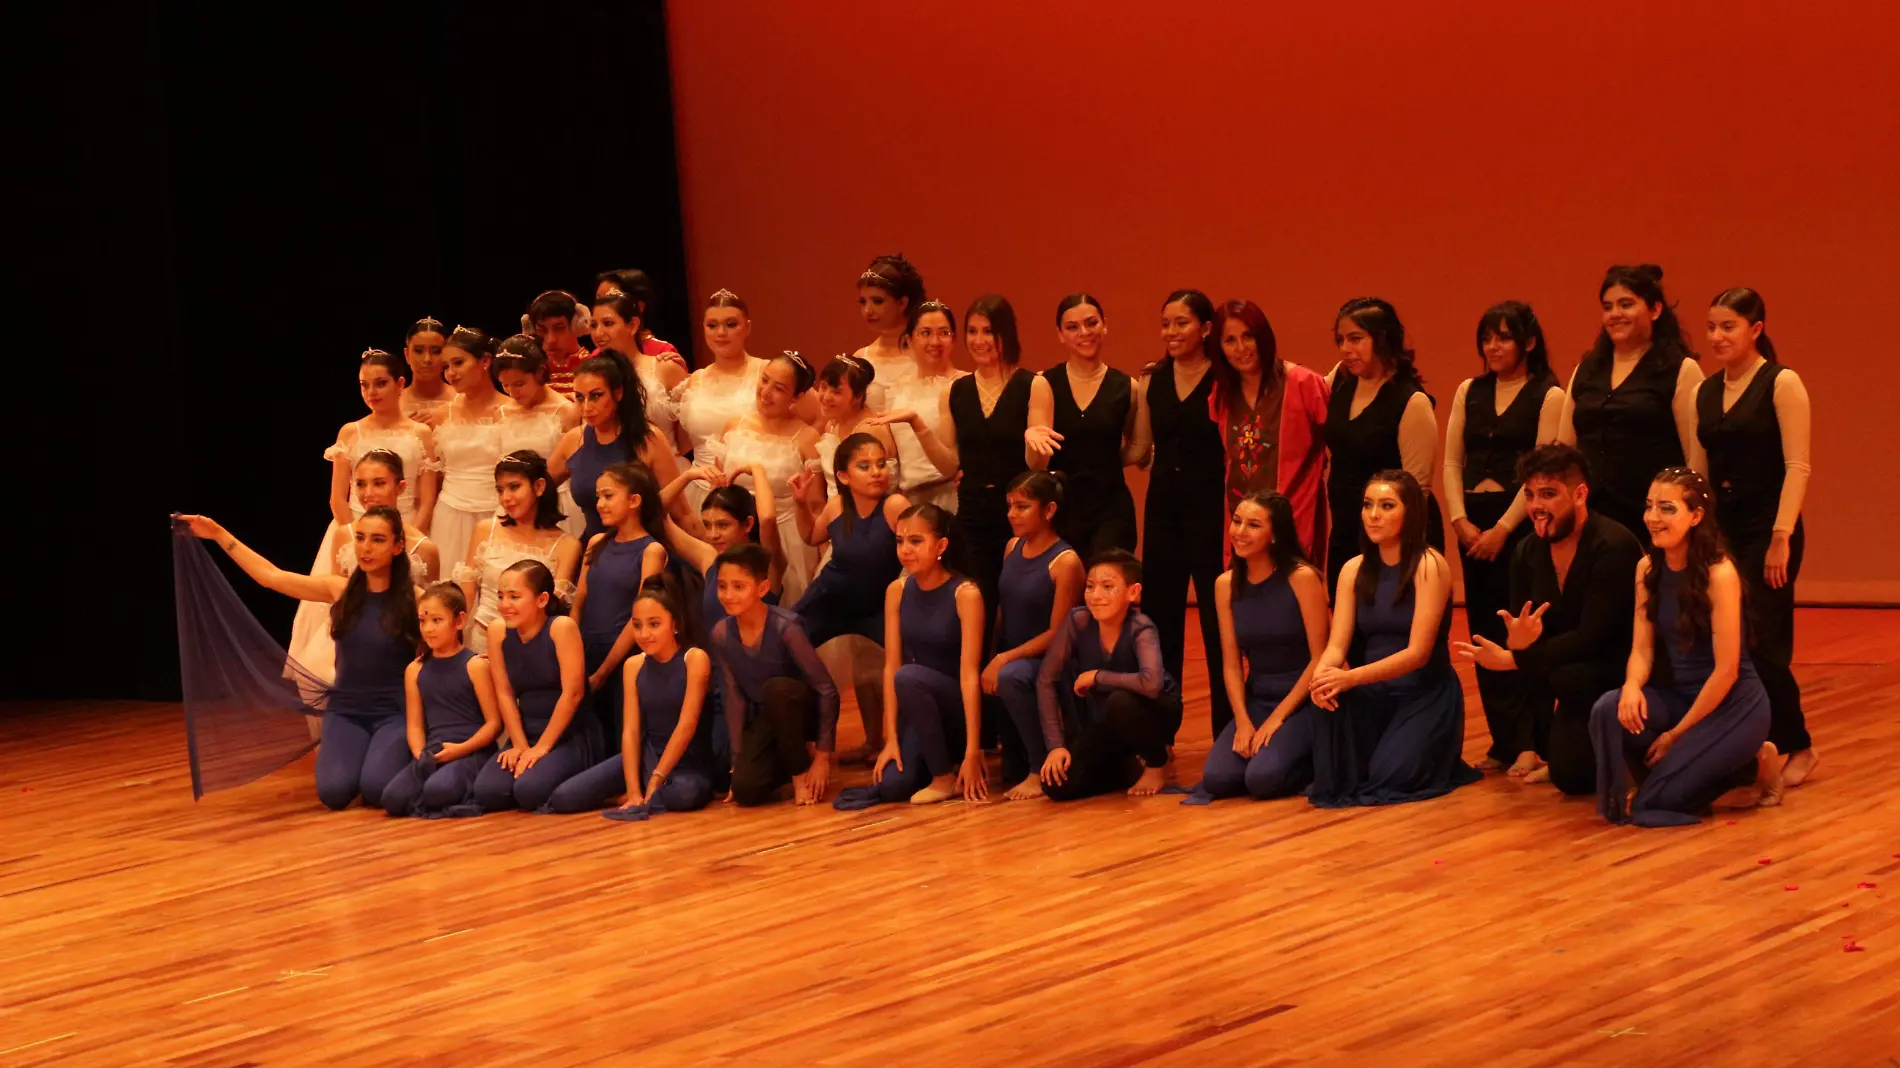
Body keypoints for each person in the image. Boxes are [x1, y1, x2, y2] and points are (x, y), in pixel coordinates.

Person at [178, 508, 419, 810]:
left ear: (397, 547)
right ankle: (367, 759)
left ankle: (387, 762)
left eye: (378, 540)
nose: (366, 548)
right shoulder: (338, 589)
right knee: (333, 793)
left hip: (394, 714)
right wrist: (217, 534)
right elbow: (271, 577)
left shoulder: (417, 599)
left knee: (377, 788)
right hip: (346, 711)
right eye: (360, 538)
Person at [1452, 445, 1643, 793]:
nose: (1536, 506)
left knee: (1563, 678)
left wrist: (1513, 658)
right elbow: (1525, 631)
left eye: (1549, 494)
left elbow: (1595, 637)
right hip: (1569, 676)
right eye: (1530, 495)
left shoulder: (1615, 545)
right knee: (1571, 778)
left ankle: (1634, 754)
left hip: (1622, 676)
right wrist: (1518, 642)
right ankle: (1545, 749)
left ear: (1580, 494)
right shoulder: (1527, 551)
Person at [1589, 468, 1774, 826]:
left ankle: (1751, 766)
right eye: (1649, 507)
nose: (1653, 518)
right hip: (1683, 699)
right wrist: (1630, 687)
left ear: (1696, 516)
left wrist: (1677, 735)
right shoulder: (1646, 569)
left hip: (1733, 707)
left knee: (1650, 807)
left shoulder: (1720, 574)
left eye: (1667, 508)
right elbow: (1642, 648)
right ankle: (1692, 776)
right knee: (1607, 709)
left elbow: (1727, 671)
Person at [1698, 287, 1815, 790]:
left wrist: (1781, 536)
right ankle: (1747, 746)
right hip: (1723, 526)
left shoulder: (1781, 383)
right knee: (1723, 639)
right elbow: (1698, 470)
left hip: (1769, 528)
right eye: (1712, 327)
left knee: (1762, 640)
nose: (1718, 337)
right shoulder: (1706, 390)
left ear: (1756, 330)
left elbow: (1798, 465)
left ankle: (1800, 745)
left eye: (1729, 327)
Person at [1307, 471, 1479, 807]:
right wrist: (1322, 677)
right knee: (1327, 710)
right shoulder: (1352, 570)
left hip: (1421, 692)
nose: (1373, 514)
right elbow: (1337, 645)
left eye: (1387, 506)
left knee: (1393, 777)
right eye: (1368, 505)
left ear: (1410, 512)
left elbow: (1417, 653)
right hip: (1371, 691)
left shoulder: (1430, 564)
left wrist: (1350, 677)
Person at [1443, 301, 1564, 767]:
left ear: (1528, 343)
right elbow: (1453, 461)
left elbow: (1541, 469)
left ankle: (1532, 742)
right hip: (1472, 523)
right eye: (1487, 338)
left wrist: (1503, 528)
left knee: (1522, 631)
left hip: (1521, 524)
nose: (1493, 347)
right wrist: (1459, 518)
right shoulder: (1468, 391)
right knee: (1484, 630)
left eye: (1504, 338)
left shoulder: (1548, 395)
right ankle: (1503, 740)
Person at [1134, 290, 1235, 737]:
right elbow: (1139, 450)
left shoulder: (1226, 378)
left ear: (1206, 329)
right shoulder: (1151, 380)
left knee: (1216, 621)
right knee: (1160, 620)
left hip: (1211, 511)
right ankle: (1160, 732)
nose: (1171, 333)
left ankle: (1227, 730)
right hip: (1163, 512)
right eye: (1166, 324)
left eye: (1181, 323)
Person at [1191, 492, 1330, 802]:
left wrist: (1277, 718)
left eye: (1253, 525)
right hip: (1258, 698)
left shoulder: (1302, 578)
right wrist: (1242, 720)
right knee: (1217, 779)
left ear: (1274, 535)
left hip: (1303, 700)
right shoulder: (1225, 585)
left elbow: (1321, 657)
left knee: (1262, 779)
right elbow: (1230, 663)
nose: (1240, 532)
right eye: (1237, 522)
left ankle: (1315, 758)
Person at [1557, 264, 1705, 548]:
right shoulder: (1586, 369)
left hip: (1653, 521)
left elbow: (1695, 461)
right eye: (1608, 306)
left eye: (1626, 304)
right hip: (1592, 520)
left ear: (1655, 310)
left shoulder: (1680, 370)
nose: (1615, 314)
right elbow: (1564, 451)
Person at [547, 575, 718, 816]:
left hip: (686, 762)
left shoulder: (694, 658)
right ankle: (634, 795)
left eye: (654, 624)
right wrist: (634, 788)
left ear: (675, 624)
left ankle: (654, 791)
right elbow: (631, 731)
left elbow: (686, 725)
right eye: (637, 625)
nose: (644, 634)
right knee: (564, 797)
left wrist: (657, 778)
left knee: (685, 794)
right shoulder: (633, 665)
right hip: (645, 755)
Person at [790, 433, 910, 760]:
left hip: (876, 606)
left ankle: (903, 746)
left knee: (914, 658)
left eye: (881, 464)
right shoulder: (836, 505)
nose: (877, 472)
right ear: (844, 476)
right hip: (831, 599)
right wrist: (801, 504)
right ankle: (797, 746)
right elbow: (811, 536)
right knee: (785, 646)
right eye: (865, 465)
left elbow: (922, 544)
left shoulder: (895, 505)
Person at [1035, 549, 1182, 800]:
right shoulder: (1078, 621)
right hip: (1108, 723)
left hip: (1153, 713)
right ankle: (1127, 766)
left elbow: (1152, 684)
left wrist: (1097, 676)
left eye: (1107, 586)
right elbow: (1046, 679)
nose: (1096, 596)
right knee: (1056, 785)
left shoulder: (1141, 628)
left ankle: (1157, 762)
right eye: (1090, 586)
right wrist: (1056, 746)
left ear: (1132, 592)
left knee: (1120, 701)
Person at [869, 505, 988, 804]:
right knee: (892, 787)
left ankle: (943, 777)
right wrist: (891, 738)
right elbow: (890, 666)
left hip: (957, 706)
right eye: (900, 541)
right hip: (918, 702)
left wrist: (974, 750)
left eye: (916, 541)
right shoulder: (896, 590)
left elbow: (970, 674)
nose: (905, 550)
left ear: (941, 545)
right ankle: (933, 764)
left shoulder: (966, 593)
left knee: (908, 675)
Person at [288, 450, 440, 681]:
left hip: (397, 645)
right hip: (352, 639)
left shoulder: (423, 547)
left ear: (400, 487)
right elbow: (339, 593)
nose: (369, 493)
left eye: (379, 484)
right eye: (360, 484)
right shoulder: (344, 536)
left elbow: (429, 611)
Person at [1323, 299, 1441, 594]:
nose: (1345, 349)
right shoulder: (1339, 378)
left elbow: (1417, 490)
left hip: (1393, 539)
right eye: (1341, 340)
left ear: (1383, 339)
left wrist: (1393, 548)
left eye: (1355, 339)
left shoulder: (1411, 401)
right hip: (1345, 527)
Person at [710, 544, 841, 806]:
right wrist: (738, 760)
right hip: (769, 718)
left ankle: (799, 771)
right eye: (722, 586)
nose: (728, 595)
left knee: (777, 689)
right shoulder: (721, 634)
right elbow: (734, 698)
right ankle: (786, 760)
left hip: (801, 711)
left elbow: (826, 689)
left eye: (738, 586)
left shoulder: (786, 627)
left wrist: (824, 756)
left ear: (762, 589)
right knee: (746, 790)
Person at [987, 472, 1084, 800]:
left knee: (1010, 675)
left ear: (1049, 510)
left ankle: (1038, 766)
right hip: (1014, 655)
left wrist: (1004, 658)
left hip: (1048, 661)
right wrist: (990, 654)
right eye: (1010, 506)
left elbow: (1057, 635)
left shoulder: (1065, 561)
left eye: (1022, 506)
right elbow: (1004, 609)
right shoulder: (1012, 546)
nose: (1012, 514)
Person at [472, 561, 598, 812]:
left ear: (541, 600)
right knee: (489, 792)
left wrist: (541, 748)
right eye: (501, 596)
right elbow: (505, 693)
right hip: (527, 732)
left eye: (514, 597)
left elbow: (573, 694)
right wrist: (519, 745)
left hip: (568, 734)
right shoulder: (497, 631)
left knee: (529, 791)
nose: (504, 605)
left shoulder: (561, 627)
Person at [1026, 293, 1146, 555]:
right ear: (1060, 334)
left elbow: (1138, 448)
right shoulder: (1044, 383)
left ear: (1105, 325)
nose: (1084, 332)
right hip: (1061, 509)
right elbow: (1036, 464)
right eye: (1072, 327)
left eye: (1091, 323)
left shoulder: (1128, 387)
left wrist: (1104, 461)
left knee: (1107, 584)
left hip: (1112, 510)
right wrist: (1031, 438)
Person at [1211, 299, 1330, 561]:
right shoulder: (1222, 393)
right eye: (1229, 340)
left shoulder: (1304, 383)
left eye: (1248, 336)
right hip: (1239, 526)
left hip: (1295, 523)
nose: (1241, 348)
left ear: (1263, 337)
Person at [570, 461, 673, 745]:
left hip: (624, 657)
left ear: (634, 500)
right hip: (586, 651)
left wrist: (603, 672)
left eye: (608, 495)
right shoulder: (596, 542)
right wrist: (570, 650)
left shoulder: (651, 550)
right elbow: (579, 602)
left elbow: (641, 616)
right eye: (598, 496)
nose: (600, 503)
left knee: (619, 738)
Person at [381, 583, 502, 817]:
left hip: (471, 750)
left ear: (459, 621)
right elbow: (415, 724)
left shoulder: (475, 665)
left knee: (438, 790)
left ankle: (461, 786)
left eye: (437, 620)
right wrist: (420, 755)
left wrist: (460, 750)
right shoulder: (414, 670)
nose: (428, 629)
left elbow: (494, 724)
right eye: (422, 621)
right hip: (435, 751)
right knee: (392, 798)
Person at [945, 295, 1033, 610]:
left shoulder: (1031, 384)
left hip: (1018, 514)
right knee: (977, 601)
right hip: (972, 514)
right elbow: (951, 461)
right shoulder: (960, 389)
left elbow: (1040, 462)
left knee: (1017, 604)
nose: (979, 340)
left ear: (1006, 334)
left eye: (988, 331)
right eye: (972, 331)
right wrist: (916, 424)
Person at [714, 352, 825, 601]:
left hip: (787, 538)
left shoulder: (807, 438)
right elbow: (719, 486)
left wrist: (822, 553)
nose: (765, 392)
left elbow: (816, 504)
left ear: (796, 397)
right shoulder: (735, 425)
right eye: (764, 380)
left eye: (778, 388)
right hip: (735, 535)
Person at [549, 347, 689, 545]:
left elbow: (682, 515)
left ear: (618, 393)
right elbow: (537, 493)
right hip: (593, 551)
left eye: (596, 396)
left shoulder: (648, 439)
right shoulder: (573, 440)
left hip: (646, 552)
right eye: (579, 397)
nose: (586, 407)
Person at [457, 451, 581, 654]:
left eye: (514, 487)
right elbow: (466, 594)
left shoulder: (566, 544)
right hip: (482, 641)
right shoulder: (485, 530)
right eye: (500, 489)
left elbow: (554, 606)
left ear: (539, 486)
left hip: (531, 647)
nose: (506, 498)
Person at [866, 300, 966, 511]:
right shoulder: (896, 391)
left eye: (944, 333)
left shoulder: (965, 385)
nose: (935, 341)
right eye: (925, 333)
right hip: (910, 500)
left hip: (953, 495)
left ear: (954, 339)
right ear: (909, 340)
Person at [675, 290, 767, 512]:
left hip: (753, 492)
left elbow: (815, 417)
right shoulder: (694, 380)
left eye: (731, 324)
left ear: (748, 327)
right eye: (712, 325)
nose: (721, 333)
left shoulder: (766, 372)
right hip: (701, 491)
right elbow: (680, 442)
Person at [428, 326, 508, 571]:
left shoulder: (510, 410)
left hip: (497, 512)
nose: (450, 373)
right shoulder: (442, 415)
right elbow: (435, 475)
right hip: (449, 513)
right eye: (445, 367)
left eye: (458, 363)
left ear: (485, 360)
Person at [493, 333, 584, 539]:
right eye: (505, 385)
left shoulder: (566, 411)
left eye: (519, 384)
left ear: (540, 373)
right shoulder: (502, 412)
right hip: (515, 501)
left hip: (558, 501)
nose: (512, 393)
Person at [593, 289, 688, 465]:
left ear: (633, 325)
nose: (598, 333)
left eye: (608, 323)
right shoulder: (591, 376)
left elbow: (689, 435)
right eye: (594, 325)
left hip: (667, 472)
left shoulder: (665, 368)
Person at [851, 253, 927, 410]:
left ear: (902, 303)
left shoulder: (925, 353)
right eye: (863, 302)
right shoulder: (861, 358)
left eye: (877, 301)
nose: (867, 310)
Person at [813, 355, 897, 495]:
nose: (826, 397)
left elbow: (884, 486)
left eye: (836, 391)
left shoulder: (871, 429)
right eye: (823, 387)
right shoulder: (831, 425)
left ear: (858, 395)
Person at [594, 267, 683, 359]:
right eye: (599, 300)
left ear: (639, 306)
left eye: (608, 323)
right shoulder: (595, 357)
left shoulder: (663, 353)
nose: (602, 308)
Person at [527, 290, 589, 397]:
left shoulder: (595, 366)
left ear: (577, 326)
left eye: (559, 328)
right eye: (542, 330)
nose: (551, 340)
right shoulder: (529, 370)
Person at [400, 316, 453, 421]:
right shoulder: (392, 402)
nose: (427, 359)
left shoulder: (462, 399)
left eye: (436, 351)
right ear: (406, 355)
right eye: (419, 351)